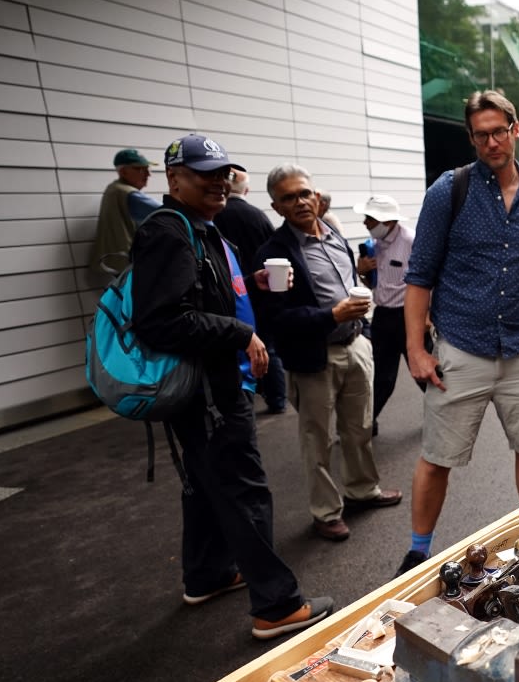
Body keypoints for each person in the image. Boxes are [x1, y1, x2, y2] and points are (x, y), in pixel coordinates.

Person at [131, 133, 333, 640]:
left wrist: (252, 287)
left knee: (205, 485)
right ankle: (276, 605)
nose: (219, 182)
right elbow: (161, 321)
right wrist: (241, 332)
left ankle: (207, 574)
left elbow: (204, 297)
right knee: (244, 489)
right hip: (208, 392)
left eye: (224, 173)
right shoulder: (168, 231)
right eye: (205, 173)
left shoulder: (199, 227)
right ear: (173, 178)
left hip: (213, 387)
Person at [397, 91, 519, 575]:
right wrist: (415, 349)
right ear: (471, 139)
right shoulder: (449, 191)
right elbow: (419, 276)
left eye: (499, 131)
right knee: (437, 457)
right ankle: (417, 551)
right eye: (481, 135)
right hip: (460, 350)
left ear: (515, 130)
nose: (491, 142)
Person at [253, 165, 402, 543]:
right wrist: (331, 316)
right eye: (289, 198)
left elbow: (349, 284)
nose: (300, 202)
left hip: (356, 345)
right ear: (276, 206)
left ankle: (362, 490)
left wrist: (363, 331)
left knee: (359, 428)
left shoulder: (335, 235)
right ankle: (325, 512)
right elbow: (276, 319)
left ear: (317, 196)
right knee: (317, 440)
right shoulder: (274, 254)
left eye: (305, 193)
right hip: (314, 358)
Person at [354, 195, 428, 433]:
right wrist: (362, 271)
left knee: (424, 373)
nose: (365, 222)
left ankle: (443, 417)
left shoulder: (411, 241)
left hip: (409, 317)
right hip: (382, 317)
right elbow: (373, 283)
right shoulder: (373, 245)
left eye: (370, 218)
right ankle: (366, 424)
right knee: (381, 377)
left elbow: (431, 278)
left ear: (386, 221)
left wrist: (428, 316)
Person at [215, 169, 286, 414]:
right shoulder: (257, 215)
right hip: (260, 287)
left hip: (230, 290)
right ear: (246, 190)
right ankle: (277, 398)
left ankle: (246, 391)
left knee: (236, 343)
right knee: (267, 345)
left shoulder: (215, 215)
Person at [90, 148, 160, 276]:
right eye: (140, 169)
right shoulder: (128, 194)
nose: (148, 174)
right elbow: (171, 212)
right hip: (129, 262)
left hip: (116, 261)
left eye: (148, 168)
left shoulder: (113, 188)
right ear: (123, 172)